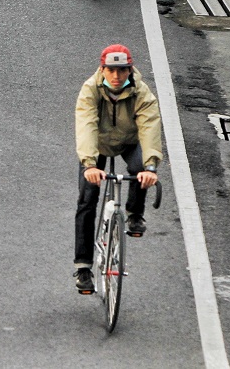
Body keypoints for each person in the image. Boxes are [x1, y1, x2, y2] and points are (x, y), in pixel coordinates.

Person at [73, 44, 162, 294]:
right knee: (87, 200)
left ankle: (135, 213)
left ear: (130, 70)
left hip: (129, 140)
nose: (116, 76)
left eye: (121, 71)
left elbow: (150, 126)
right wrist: (89, 164)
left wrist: (152, 165)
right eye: (111, 70)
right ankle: (83, 268)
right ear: (102, 69)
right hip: (98, 144)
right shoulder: (90, 89)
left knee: (139, 169)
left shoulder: (141, 92)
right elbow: (86, 125)